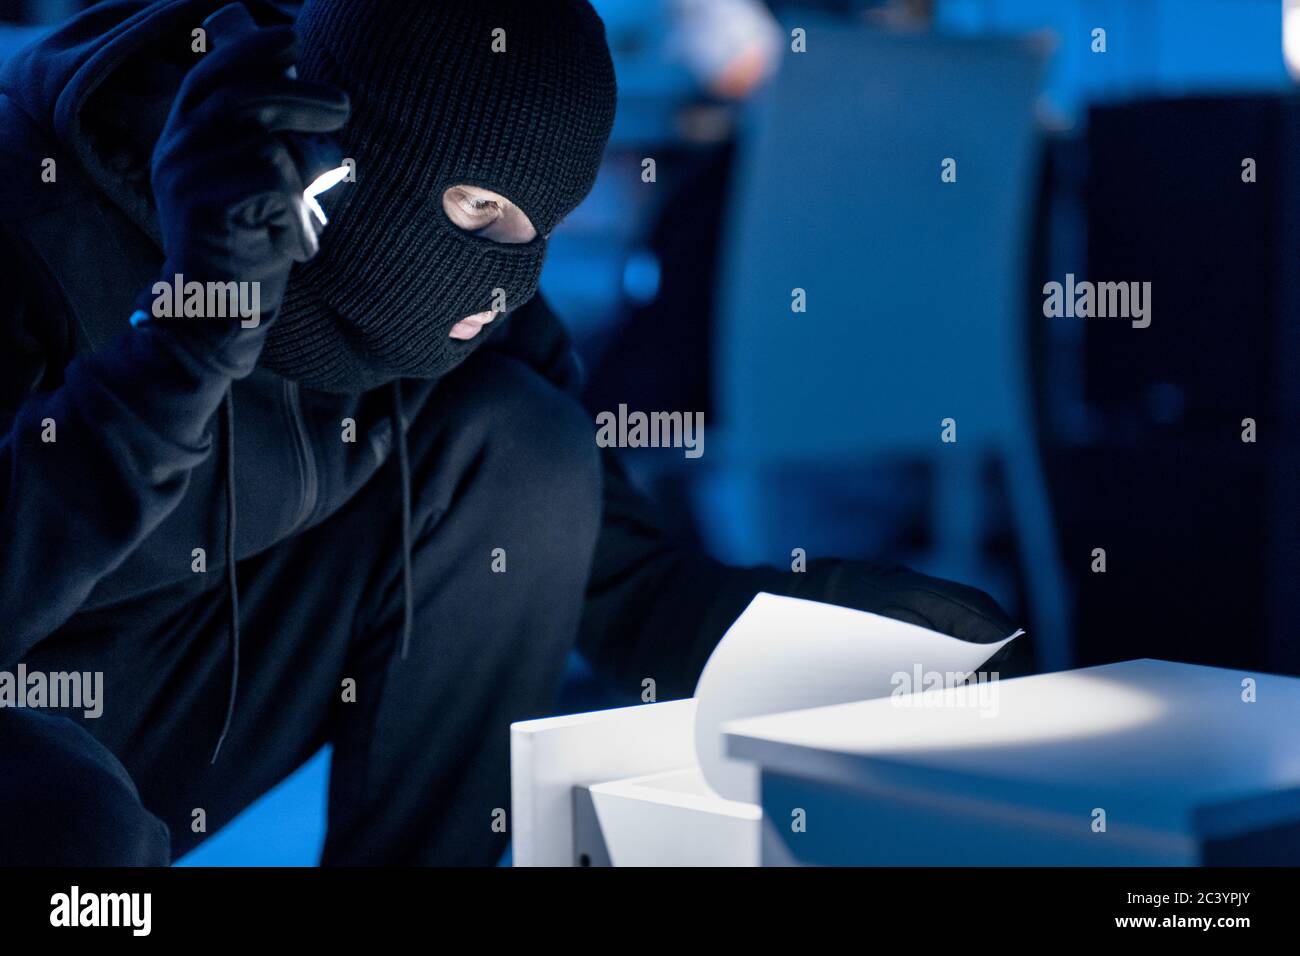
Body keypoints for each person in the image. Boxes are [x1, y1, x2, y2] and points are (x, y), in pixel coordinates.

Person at [0, 0, 1016, 866]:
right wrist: (191, 332)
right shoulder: (37, 220)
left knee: (524, 443)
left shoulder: (452, 300)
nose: (503, 277)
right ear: (345, 151)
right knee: (66, 818)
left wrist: (830, 631)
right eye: (478, 205)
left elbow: (621, 586)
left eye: (544, 224)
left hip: (180, 695)